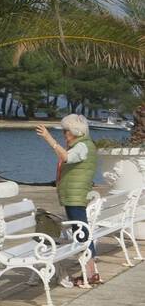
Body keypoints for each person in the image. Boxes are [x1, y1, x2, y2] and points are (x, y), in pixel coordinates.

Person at [36, 114, 100, 287]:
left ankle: (90, 273)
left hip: (75, 196)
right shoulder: (84, 145)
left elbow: (66, 157)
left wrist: (49, 138)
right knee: (82, 230)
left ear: (74, 131)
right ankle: (91, 272)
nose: (64, 134)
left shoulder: (82, 146)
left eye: (65, 131)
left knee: (82, 232)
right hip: (75, 195)